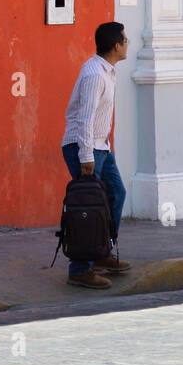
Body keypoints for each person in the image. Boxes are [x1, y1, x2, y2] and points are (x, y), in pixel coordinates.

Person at [60, 21, 132, 288]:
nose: (127, 45)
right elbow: (84, 118)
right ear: (116, 45)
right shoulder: (94, 74)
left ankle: (101, 252)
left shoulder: (107, 71)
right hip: (85, 148)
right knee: (88, 208)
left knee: (116, 194)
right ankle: (80, 269)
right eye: (125, 40)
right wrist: (86, 155)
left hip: (101, 147)